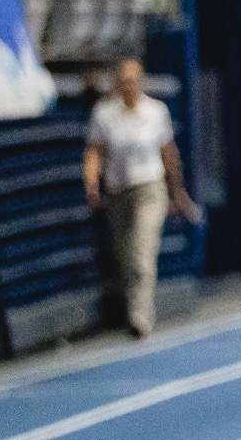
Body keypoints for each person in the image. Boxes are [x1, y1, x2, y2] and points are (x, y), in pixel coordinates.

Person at [84, 59, 200, 339]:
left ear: (142, 81)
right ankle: (131, 309)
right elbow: (94, 152)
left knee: (142, 252)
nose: (129, 84)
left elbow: (168, 152)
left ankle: (140, 317)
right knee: (124, 255)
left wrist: (177, 191)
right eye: (123, 79)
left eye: (134, 79)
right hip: (118, 190)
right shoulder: (104, 114)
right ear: (116, 83)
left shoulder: (155, 111)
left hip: (150, 188)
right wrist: (92, 184)